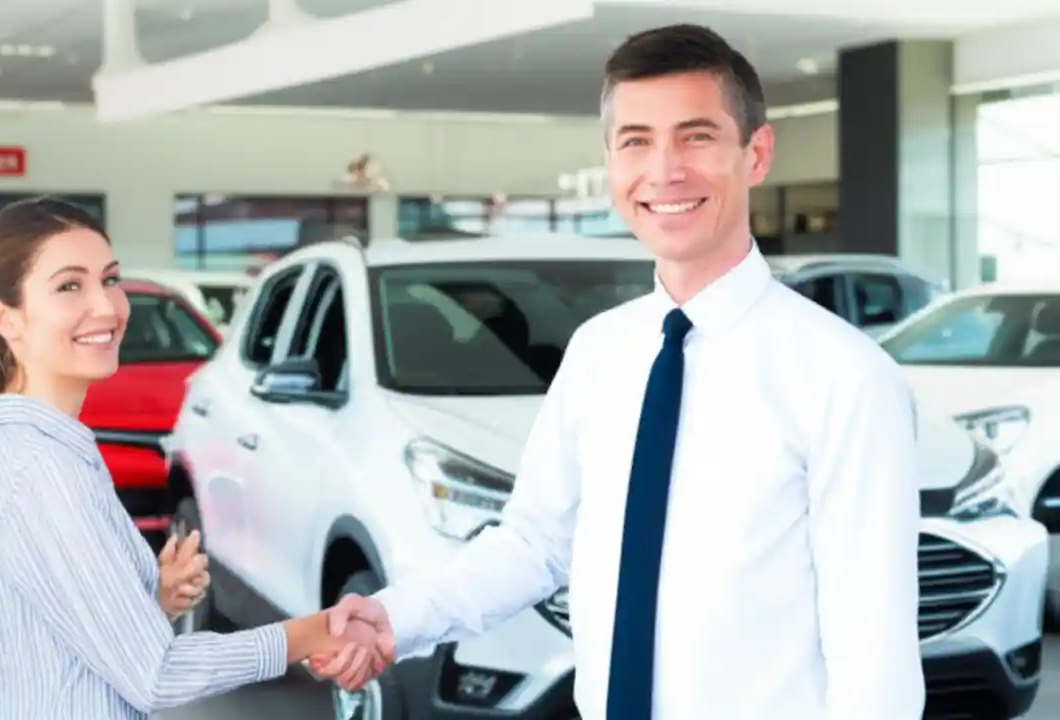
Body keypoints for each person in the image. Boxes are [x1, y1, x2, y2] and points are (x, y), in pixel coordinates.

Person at [312, 23, 925, 719]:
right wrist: (397, 616)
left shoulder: (844, 377)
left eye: (696, 136)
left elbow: (872, 647)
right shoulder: (600, 352)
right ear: (610, 162)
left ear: (755, 154)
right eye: (636, 140)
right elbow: (535, 544)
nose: (664, 170)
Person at [0, 196, 385, 718]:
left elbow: (69, 648)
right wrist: (313, 632)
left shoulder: (49, 451)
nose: (106, 307)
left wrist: (153, 601)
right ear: (5, 317)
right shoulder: (37, 471)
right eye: (69, 286)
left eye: (111, 279)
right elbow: (156, 676)